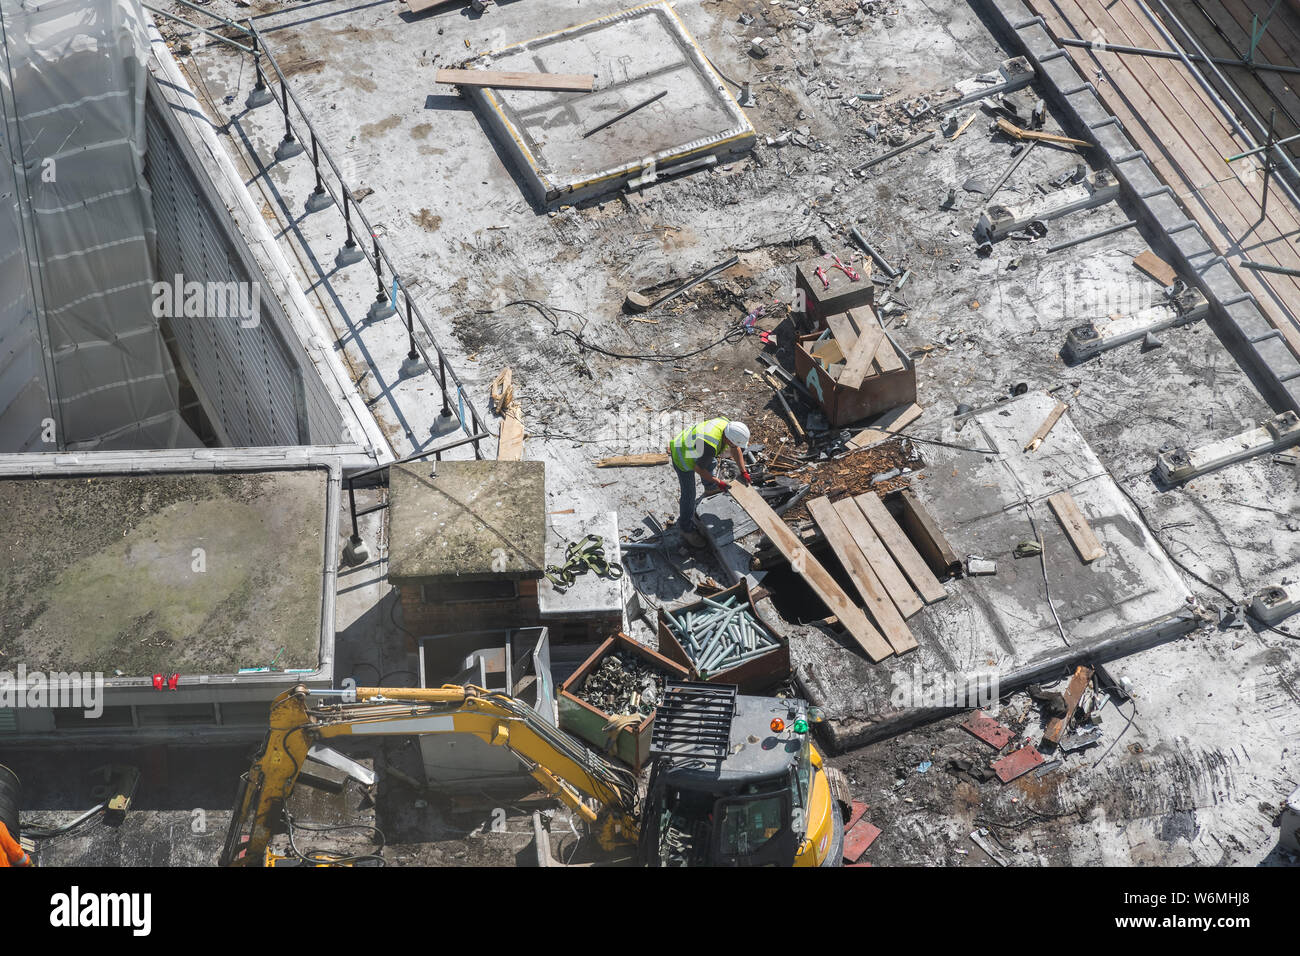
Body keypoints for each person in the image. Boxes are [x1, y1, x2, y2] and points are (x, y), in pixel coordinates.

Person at [667, 418, 750, 547]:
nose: (734, 446)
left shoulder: (726, 425)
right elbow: (698, 468)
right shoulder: (710, 446)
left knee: (711, 462)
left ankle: (709, 488)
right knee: (689, 495)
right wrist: (717, 481)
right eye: (733, 444)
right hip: (682, 455)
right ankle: (685, 528)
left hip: (692, 444)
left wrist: (743, 471)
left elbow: (735, 448)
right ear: (728, 439)